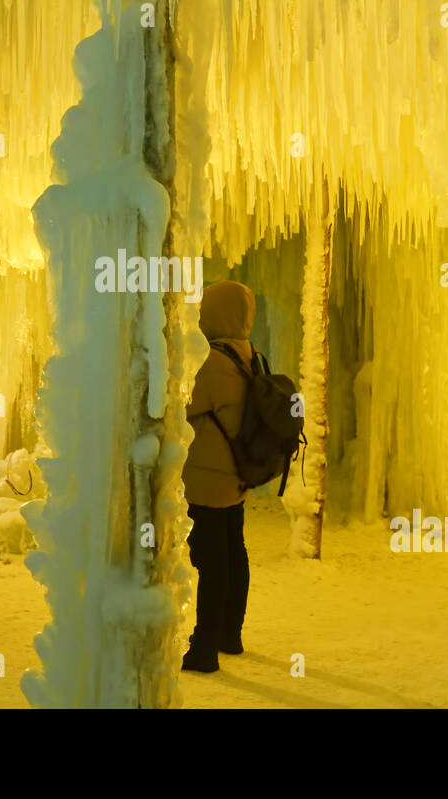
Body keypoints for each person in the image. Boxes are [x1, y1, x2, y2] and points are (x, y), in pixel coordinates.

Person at [181, 280, 257, 672]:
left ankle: (204, 648)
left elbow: (182, 403)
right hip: (235, 473)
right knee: (232, 552)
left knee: (211, 562)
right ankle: (230, 633)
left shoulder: (211, 360)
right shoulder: (247, 352)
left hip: (209, 478)